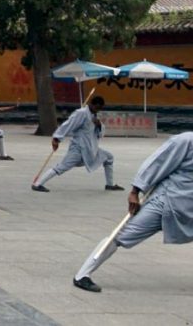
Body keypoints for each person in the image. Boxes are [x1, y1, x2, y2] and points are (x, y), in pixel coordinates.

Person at [73, 132, 193, 293]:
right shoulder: (185, 141)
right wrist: (135, 191)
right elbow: (156, 163)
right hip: (167, 201)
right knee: (122, 235)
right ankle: (82, 275)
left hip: (189, 207)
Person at [32, 96, 123, 192]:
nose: (97, 110)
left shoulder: (94, 115)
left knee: (109, 157)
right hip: (78, 148)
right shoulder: (81, 113)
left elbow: (99, 134)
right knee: (62, 167)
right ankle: (38, 184)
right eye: (96, 108)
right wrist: (57, 138)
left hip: (91, 149)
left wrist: (99, 125)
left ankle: (109, 184)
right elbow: (69, 124)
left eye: (99, 109)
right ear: (91, 104)